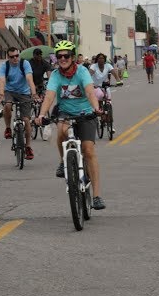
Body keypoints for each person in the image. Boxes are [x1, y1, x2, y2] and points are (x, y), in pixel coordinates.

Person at [36, 40, 107, 209]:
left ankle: (96, 196)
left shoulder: (82, 71)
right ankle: (63, 162)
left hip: (86, 112)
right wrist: (40, 114)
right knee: (60, 129)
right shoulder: (55, 75)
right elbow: (49, 96)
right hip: (65, 112)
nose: (62, 59)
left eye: (66, 55)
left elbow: (90, 92)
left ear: (72, 57)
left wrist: (96, 108)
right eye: (59, 56)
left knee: (88, 151)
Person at [0, 46, 37, 159]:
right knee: (7, 105)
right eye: (12, 57)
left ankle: (28, 147)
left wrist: (34, 94)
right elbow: (2, 81)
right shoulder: (4, 66)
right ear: (8, 57)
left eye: (17, 56)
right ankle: (8, 128)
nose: (15, 58)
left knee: (26, 120)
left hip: (24, 92)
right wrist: (1, 95)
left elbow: (29, 79)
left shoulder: (25, 64)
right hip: (10, 91)